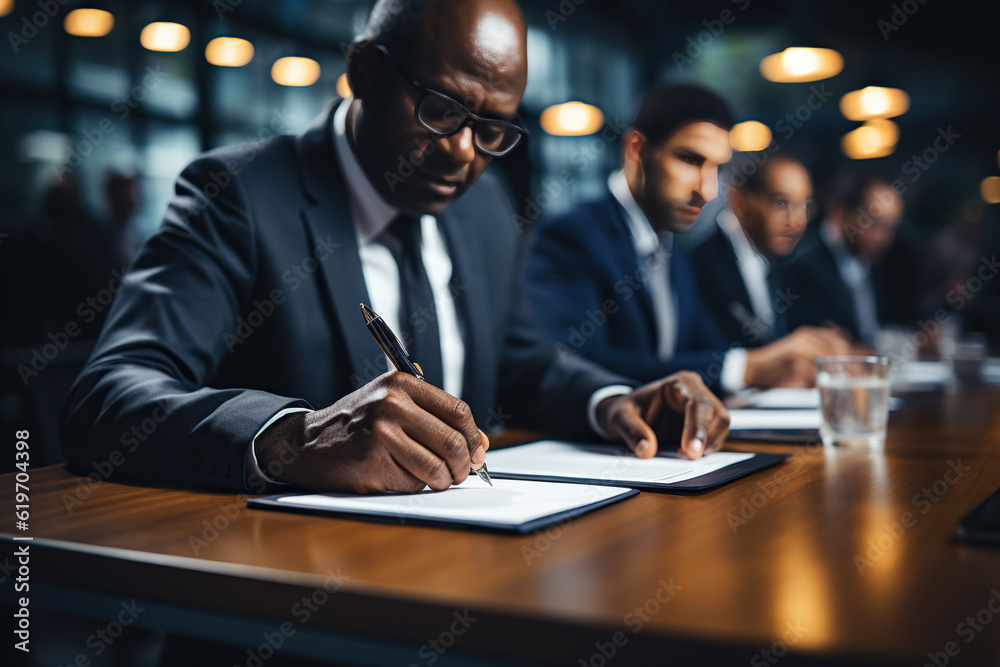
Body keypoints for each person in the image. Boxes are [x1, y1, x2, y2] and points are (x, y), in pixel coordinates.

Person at [60, 0, 730, 497]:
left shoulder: (484, 208)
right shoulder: (237, 195)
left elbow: (524, 364)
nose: (463, 153)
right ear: (364, 71)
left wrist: (611, 402)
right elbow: (107, 398)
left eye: (493, 129)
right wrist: (297, 437)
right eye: (441, 109)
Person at [523, 84, 849, 393]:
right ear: (636, 150)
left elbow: (703, 351)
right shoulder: (572, 235)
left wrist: (782, 360)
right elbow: (569, 367)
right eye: (691, 160)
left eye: (717, 168)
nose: (708, 191)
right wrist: (744, 368)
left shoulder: (675, 251)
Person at [689, 153, 847, 356]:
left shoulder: (784, 264)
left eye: (805, 206)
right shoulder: (698, 266)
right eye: (780, 203)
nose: (797, 221)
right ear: (739, 200)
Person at [783, 172, 920, 344]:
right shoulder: (800, 269)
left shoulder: (878, 260)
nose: (885, 238)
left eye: (892, 228)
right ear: (838, 209)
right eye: (875, 224)